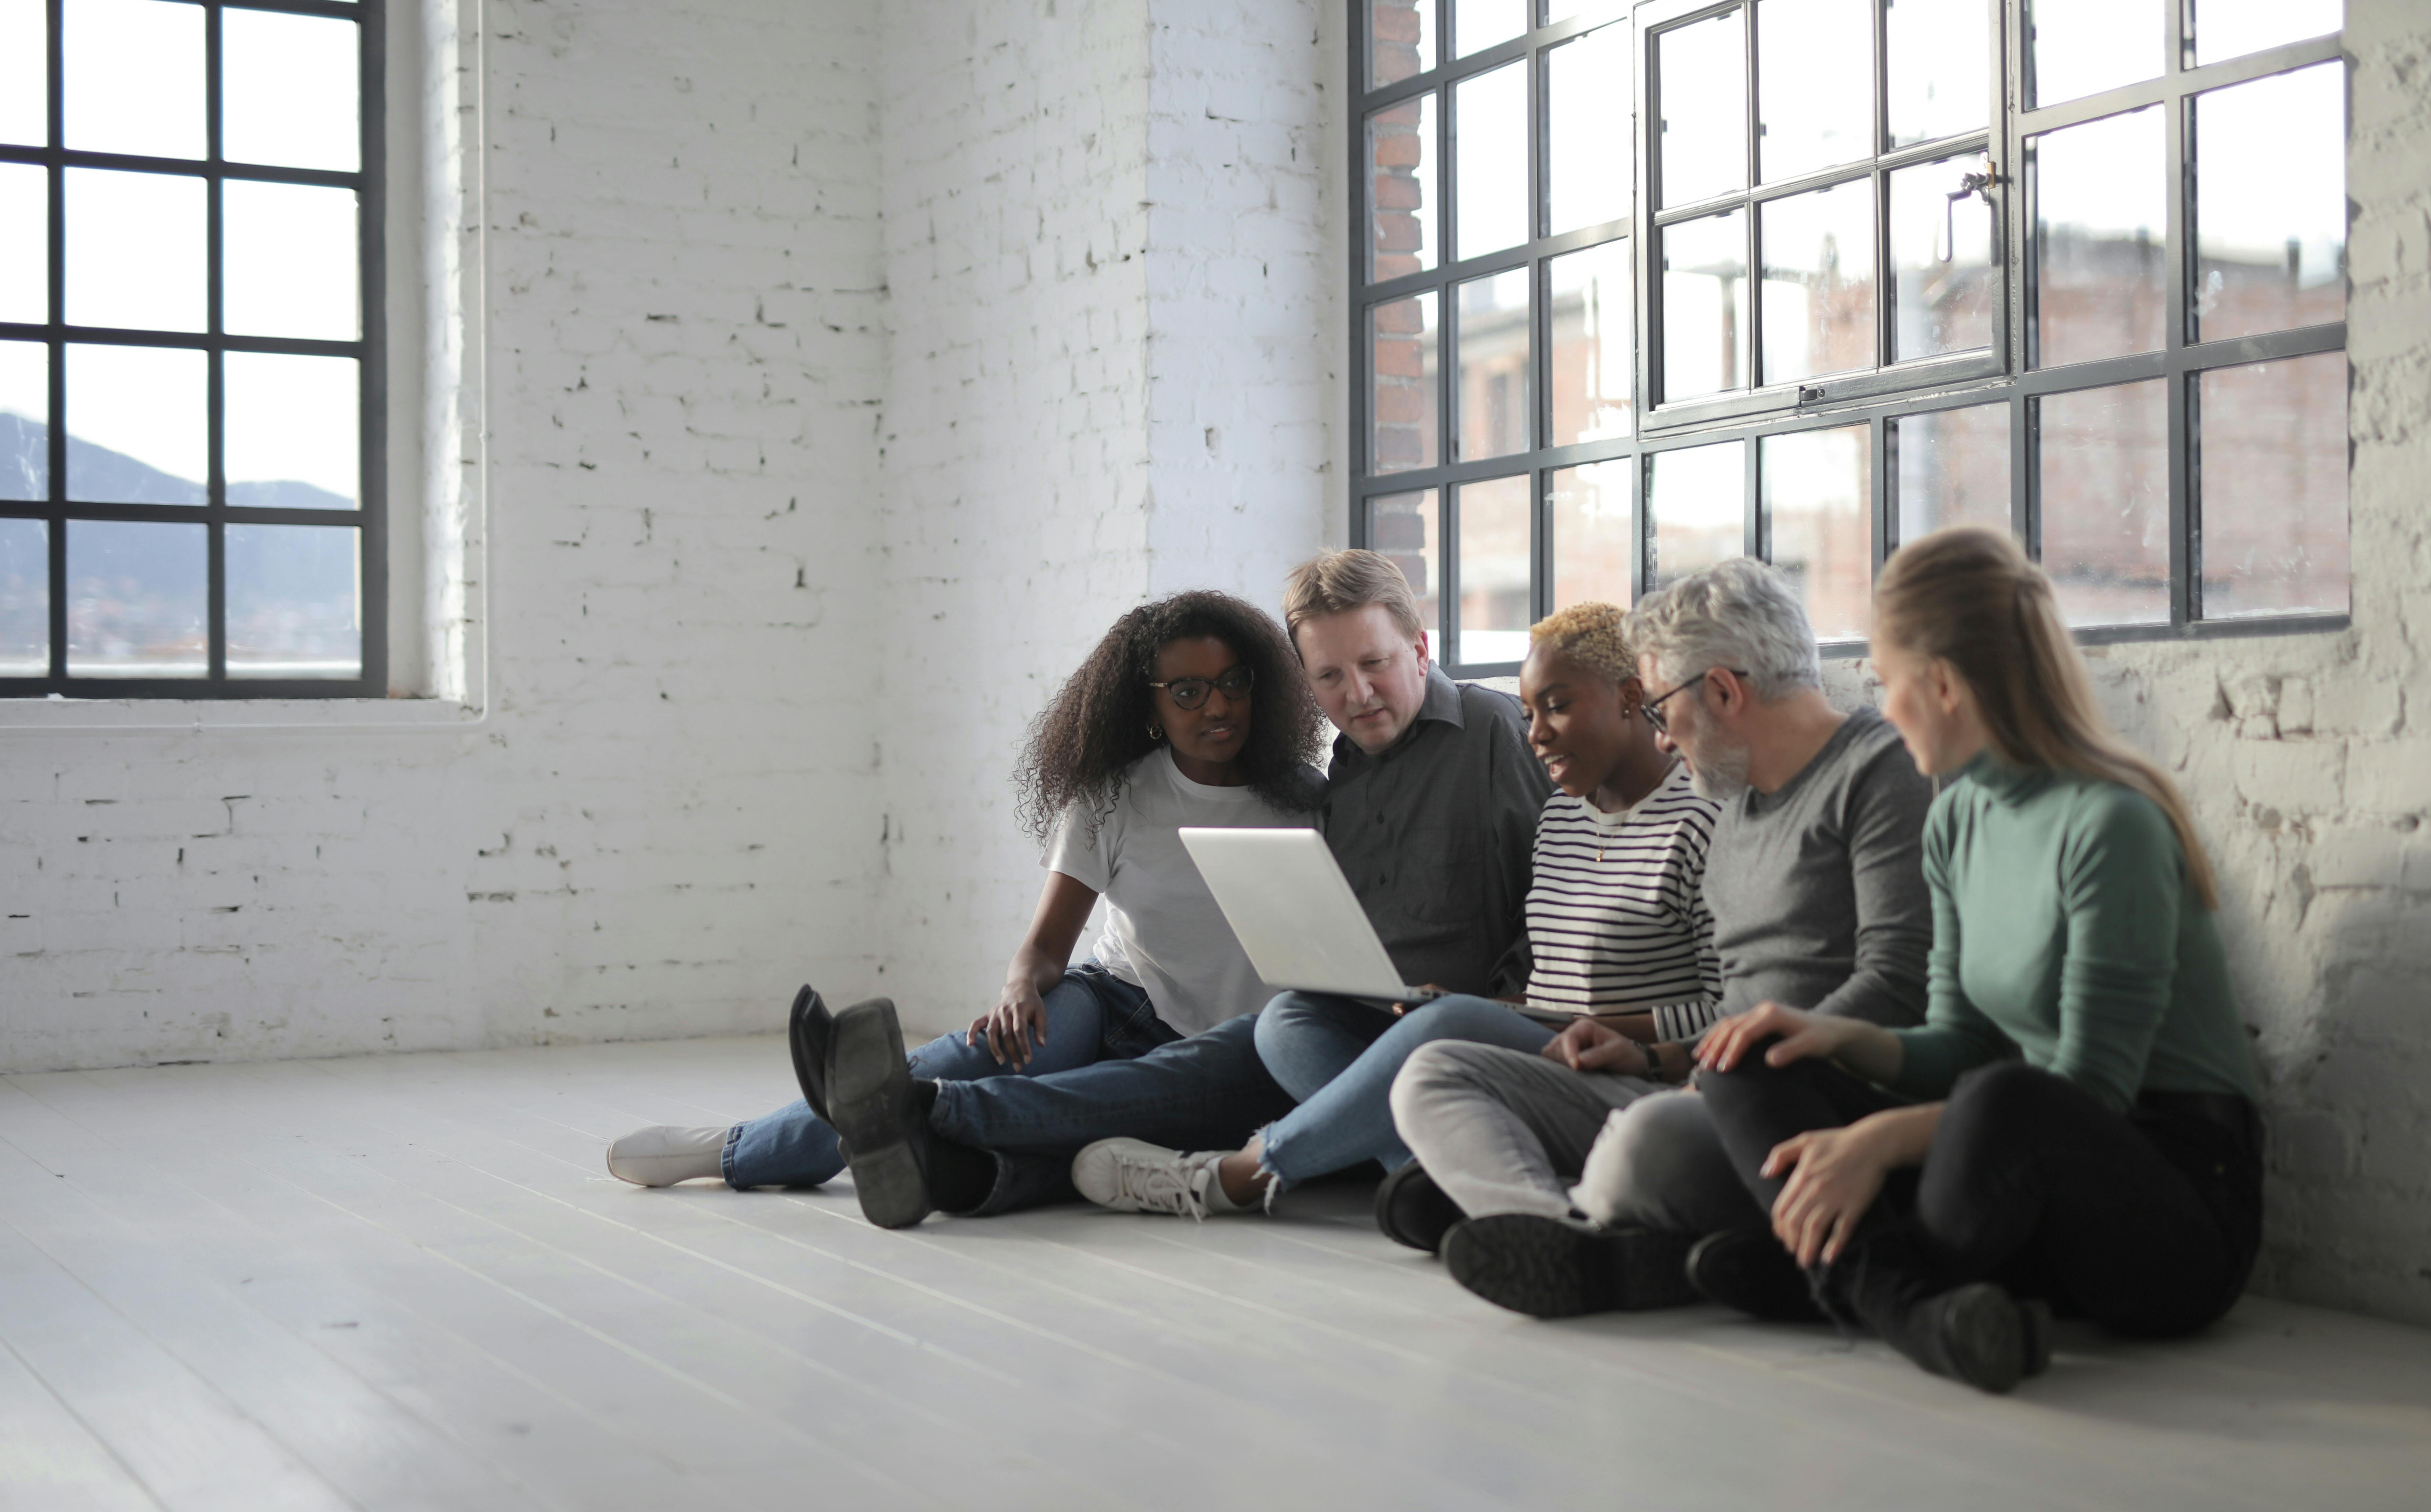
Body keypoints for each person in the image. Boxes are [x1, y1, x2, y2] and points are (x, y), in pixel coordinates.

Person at [1693, 527, 2262, 1395]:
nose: (1880, 709)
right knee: (1744, 1057)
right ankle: (1921, 1310)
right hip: (2014, 1170)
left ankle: (1840, 1285)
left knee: (2002, 1100)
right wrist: (1827, 1034)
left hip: (2172, 1207)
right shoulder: (1955, 822)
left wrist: (1879, 1138)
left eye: (1889, 684)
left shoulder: (2111, 824)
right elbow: (1957, 1042)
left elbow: (2084, 1096)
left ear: (1947, 685)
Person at [821, 549, 1548, 1226]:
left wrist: (1504, 1000)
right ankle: (926, 1124)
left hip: (1452, 1021)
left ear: (1420, 649)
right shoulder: (1343, 774)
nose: (1356, 694)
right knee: (1271, 1030)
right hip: (1352, 1020)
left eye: (1376, 664)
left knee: (1186, 1078)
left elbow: (1545, 898)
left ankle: (935, 1113)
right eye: (1328, 676)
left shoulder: (1490, 729)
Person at [601, 589, 1325, 1193]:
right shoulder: (1113, 799)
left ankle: (899, 1135)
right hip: (1116, 1000)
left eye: (1233, 682)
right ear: (1151, 707)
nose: (1217, 706)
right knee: (977, 1054)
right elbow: (1046, 946)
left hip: (1225, 1044)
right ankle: (736, 1150)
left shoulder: (1306, 800)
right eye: (1189, 691)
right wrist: (1019, 988)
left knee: (1049, 1122)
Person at [1390, 556, 1934, 1318]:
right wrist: (1654, 1056)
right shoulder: (1737, 803)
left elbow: (1899, 984)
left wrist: (1723, 1068)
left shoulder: (1880, 773)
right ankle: (1572, 1236)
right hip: (1702, 1081)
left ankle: (1564, 1225)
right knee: (1433, 1072)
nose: (1663, 737)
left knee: (1646, 1139)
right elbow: (1729, 1004)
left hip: (1797, 1098)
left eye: (1661, 708)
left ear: (1721, 691)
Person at [1069, 601, 1719, 1225]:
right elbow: (1550, 984)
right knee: (1288, 1018)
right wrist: (1506, 1012)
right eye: (1530, 713)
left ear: (1632, 698)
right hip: (1544, 1047)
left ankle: (1238, 1176)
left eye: (1556, 708)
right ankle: (1425, 1173)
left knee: (1447, 1026)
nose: (1537, 735)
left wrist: (1568, 1024)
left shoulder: (1703, 820)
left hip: (1631, 1070)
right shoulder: (1564, 819)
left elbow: (1731, 1011)